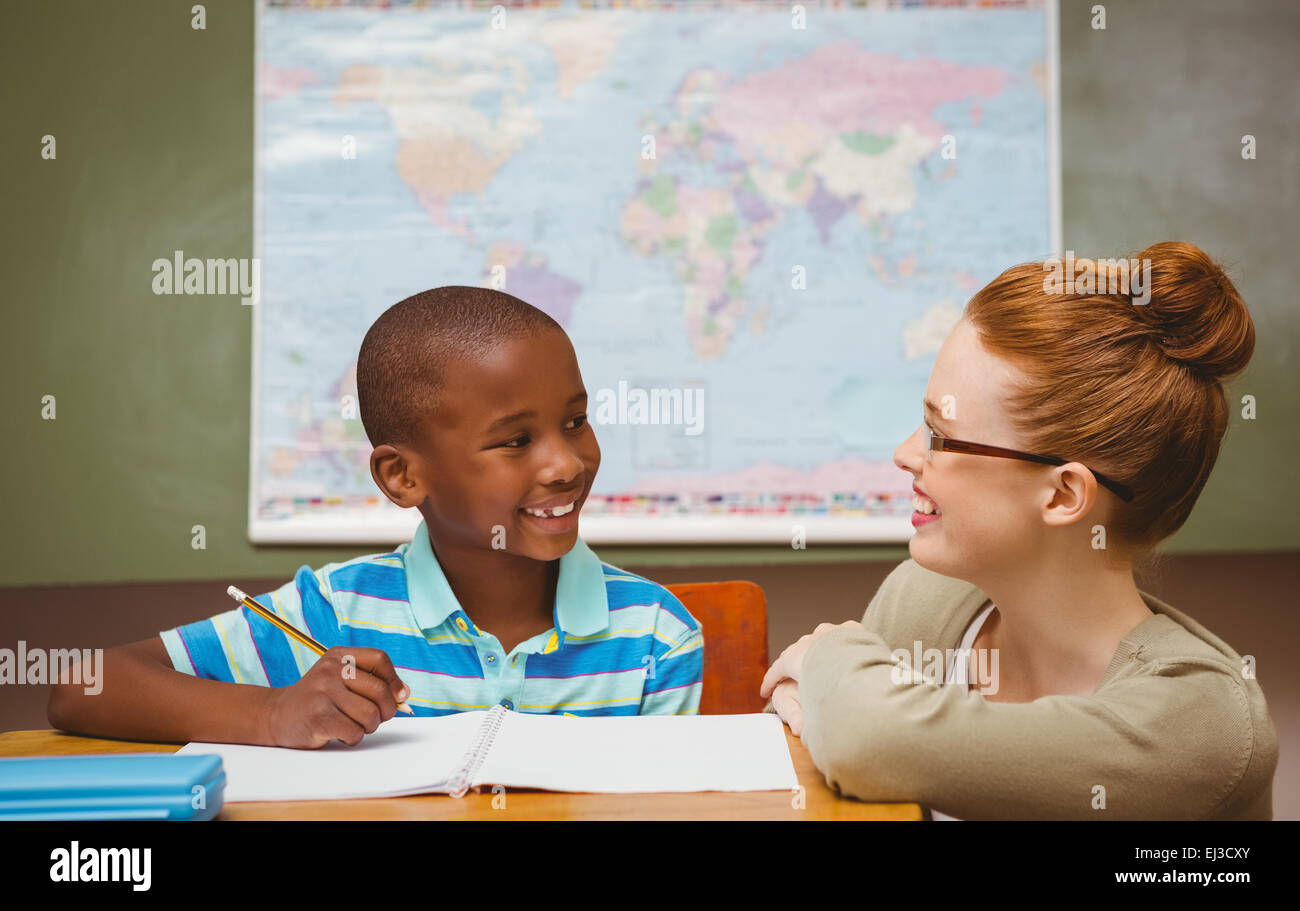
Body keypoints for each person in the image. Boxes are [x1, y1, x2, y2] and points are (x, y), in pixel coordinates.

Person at [48, 287, 703, 748]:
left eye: (575, 422)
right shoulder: (333, 611)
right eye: (515, 440)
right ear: (402, 477)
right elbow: (84, 685)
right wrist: (275, 712)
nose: (565, 464)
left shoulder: (656, 637)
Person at [761, 242, 1277, 820]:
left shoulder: (1206, 717)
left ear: (1061, 495)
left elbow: (864, 738)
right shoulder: (926, 599)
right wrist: (840, 705)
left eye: (940, 435)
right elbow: (818, 753)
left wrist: (830, 656)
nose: (906, 454)